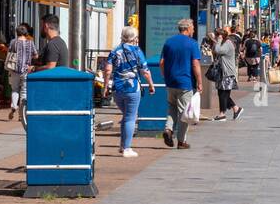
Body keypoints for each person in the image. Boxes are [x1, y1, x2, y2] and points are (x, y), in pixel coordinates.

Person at [105, 26, 155, 157]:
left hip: (117, 89)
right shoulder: (137, 51)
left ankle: (122, 145)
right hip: (132, 88)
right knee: (130, 117)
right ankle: (127, 148)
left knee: (126, 116)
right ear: (134, 38)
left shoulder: (115, 51)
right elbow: (145, 71)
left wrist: (106, 87)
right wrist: (151, 85)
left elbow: (108, 70)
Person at [159, 18, 202, 149]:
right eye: (193, 27)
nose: (194, 30)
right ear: (188, 28)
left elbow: (162, 62)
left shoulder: (169, 42)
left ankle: (168, 129)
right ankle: (181, 141)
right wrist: (200, 82)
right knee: (185, 113)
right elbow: (195, 64)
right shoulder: (192, 43)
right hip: (185, 82)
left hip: (170, 82)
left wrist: (165, 76)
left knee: (171, 107)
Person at [4, 23, 37, 121]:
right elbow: (36, 55)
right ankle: (21, 114)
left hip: (14, 69)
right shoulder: (30, 42)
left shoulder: (13, 42)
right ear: (26, 33)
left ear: (17, 33)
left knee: (14, 89)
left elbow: (9, 53)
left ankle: (14, 106)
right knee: (24, 92)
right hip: (26, 70)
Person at [212, 31, 244, 121]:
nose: (216, 37)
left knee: (223, 93)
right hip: (223, 72)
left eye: (217, 35)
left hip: (227, 73)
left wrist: (218, 40)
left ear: (221, 36)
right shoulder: (224, 43)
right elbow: (215, 51)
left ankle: (222, 114)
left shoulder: (228, 43)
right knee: (222, 93)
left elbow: (218, 50)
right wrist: (215, 41)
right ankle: (236, 108)